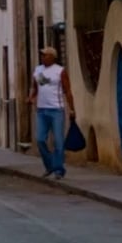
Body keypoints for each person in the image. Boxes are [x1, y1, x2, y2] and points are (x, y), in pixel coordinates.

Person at [30, 46, 75, 179]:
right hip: (41, 110)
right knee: (40, 139)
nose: (43, 57)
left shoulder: (59, 71)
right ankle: (50, 165)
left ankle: (59, 170)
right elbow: (37, 87)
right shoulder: (38, 70)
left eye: (45, 55)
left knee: (58, 141)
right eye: (42, 55)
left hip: (56, 110)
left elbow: (67, 91)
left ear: (52, 57)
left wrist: (72, 108)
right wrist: (32, 97)